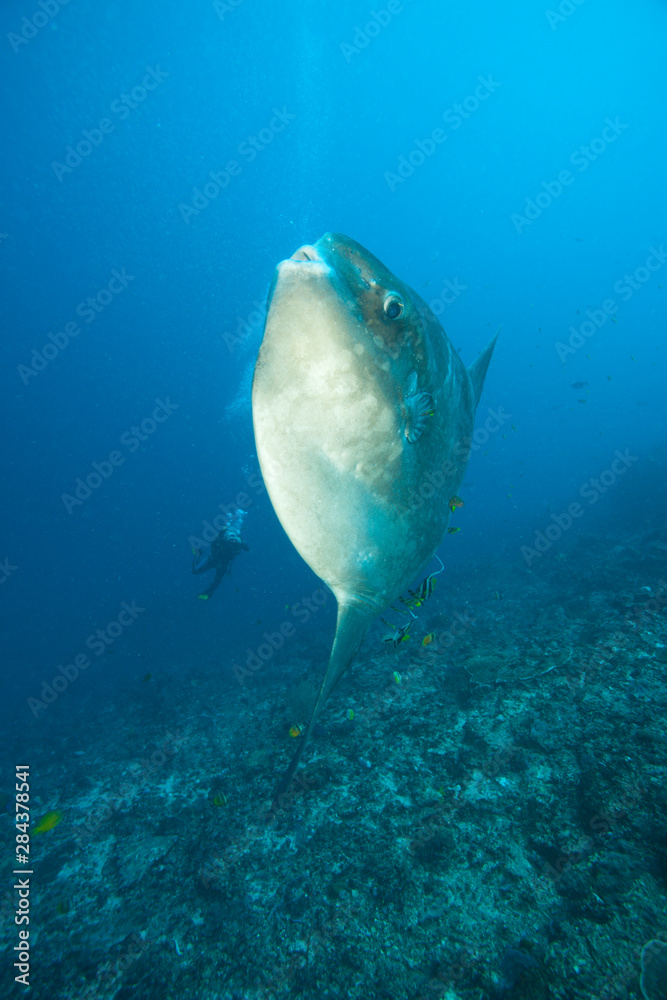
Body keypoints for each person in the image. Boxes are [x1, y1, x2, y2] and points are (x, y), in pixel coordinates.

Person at [192, 509, 248, 600]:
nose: (232, 537)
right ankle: (198, 554)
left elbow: (247, 549)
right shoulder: (223, 534)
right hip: (213, 559)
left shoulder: (238, 539)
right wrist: (223, 536)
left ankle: (209, 593)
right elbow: (213, 543)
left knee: (217, 581)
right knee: (194, 571)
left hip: (224, 564)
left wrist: (240, 542)